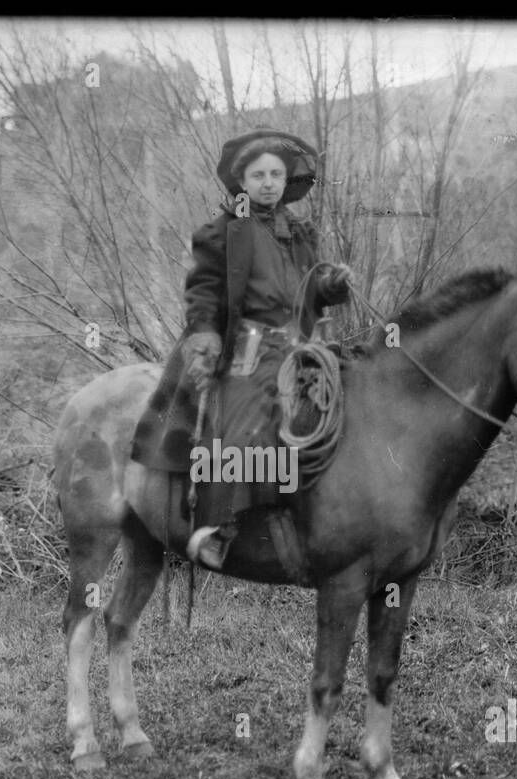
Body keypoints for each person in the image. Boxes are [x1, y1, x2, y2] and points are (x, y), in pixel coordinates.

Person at [131, 129, 352, 570]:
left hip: (304, 350)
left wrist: (331, 285)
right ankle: (221, 529)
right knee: (249, 422)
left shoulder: (302, 232)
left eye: (275, 174)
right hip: (248, 351)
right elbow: (203, 296)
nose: (268, 182)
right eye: (258, 175)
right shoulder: (221, 234)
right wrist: (205, 339)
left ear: (286, 180)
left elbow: (312, 289)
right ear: (242, 182)